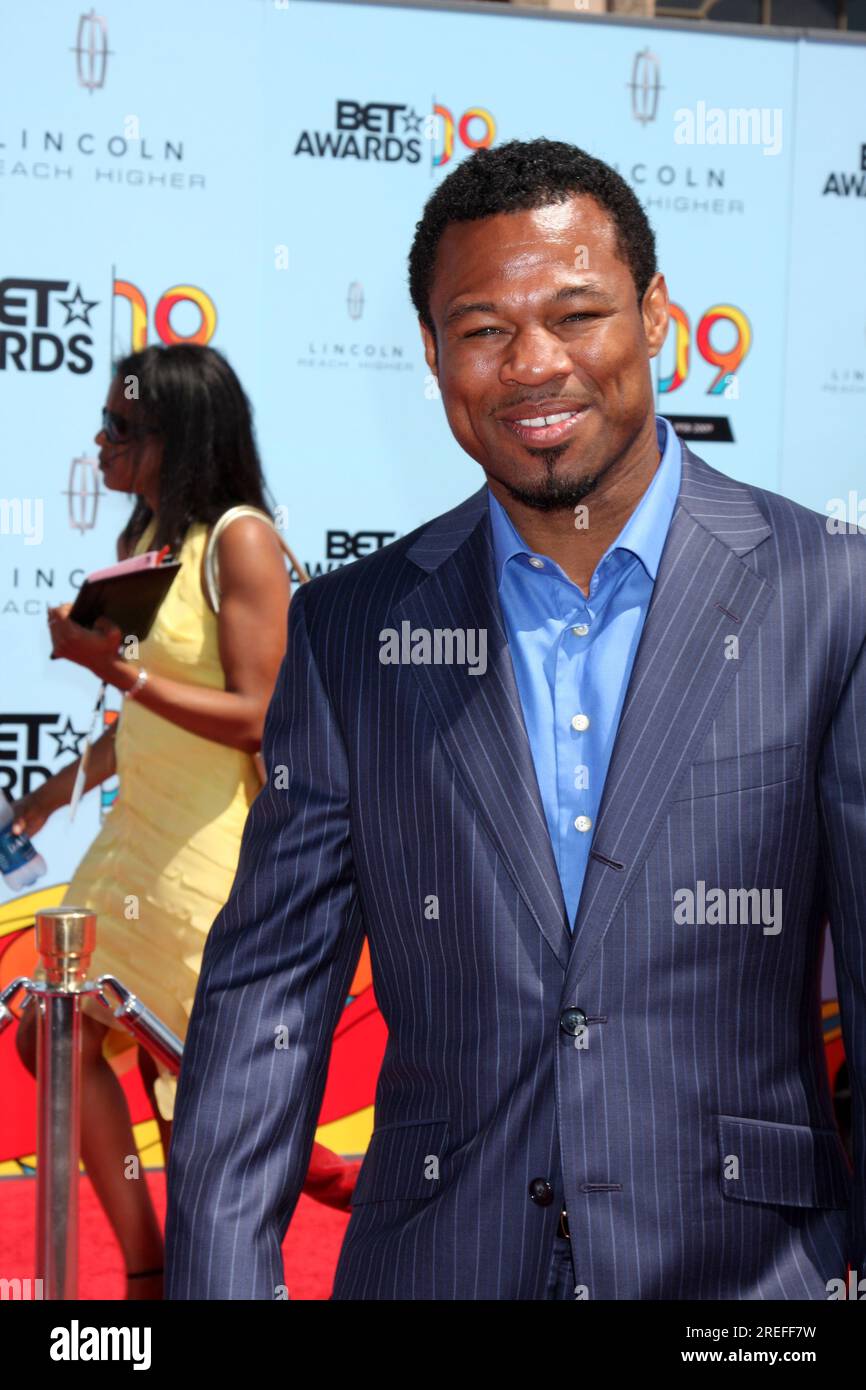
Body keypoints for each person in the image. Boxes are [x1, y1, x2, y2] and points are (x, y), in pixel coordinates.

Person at [163, 139, 866, 1300]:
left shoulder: (826, 592)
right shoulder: (350, 631)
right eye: (483, 329)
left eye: (576, 313)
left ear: (656, 318)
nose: (531, 364)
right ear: (434, 355)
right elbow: (266, 1007)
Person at [13, 343, 293, 1300]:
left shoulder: (243, 542)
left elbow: (264, 714)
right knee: (51, 1034)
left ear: (178, 439)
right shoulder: (152, 547)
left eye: (119, 430)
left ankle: (209, 1276)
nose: (99, 444)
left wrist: (115, 669)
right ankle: (149, 1264)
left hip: (206, 857)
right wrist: (60, 788)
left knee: (193, 1099)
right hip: (130, 843)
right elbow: (145, 712)